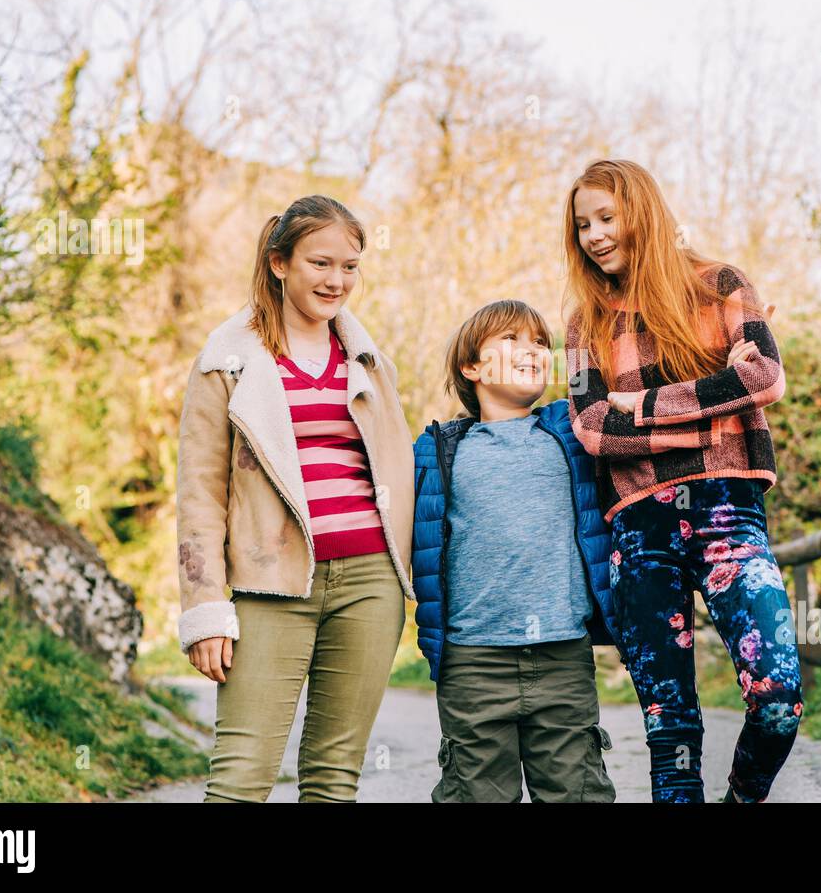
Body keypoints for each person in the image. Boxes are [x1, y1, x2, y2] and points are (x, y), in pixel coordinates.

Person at [561, 158, 802, 803]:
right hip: (638, 523)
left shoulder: (721, 285)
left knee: (778, 699)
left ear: (642, 212)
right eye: (583, 225)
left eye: (607, 218)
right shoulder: (587, 320)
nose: (595, 235)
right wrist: (709, 410)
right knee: (672, 737)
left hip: (729, 511)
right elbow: (590, 428)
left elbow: (764, 380)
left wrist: (636, 409)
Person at [175, 194, 414, 802]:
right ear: (280, 263)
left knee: (334, 780)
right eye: (320, 263)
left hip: (370, 583)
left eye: (350, 266)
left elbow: (397, 468)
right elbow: (200, 494)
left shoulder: (369, 361)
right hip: (270, 585)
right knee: (240, 776)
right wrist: (204, 608)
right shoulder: (225, 361)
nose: (337, 281)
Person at [411, 300, 620, 802]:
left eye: (539, 343)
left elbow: (638, 391)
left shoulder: (574, 432)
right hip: (472, 660)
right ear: (472, 366)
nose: (531, 350)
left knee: (579, 792)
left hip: (563, 654)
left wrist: (715, 361)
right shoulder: (437, 449)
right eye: (510, 339)